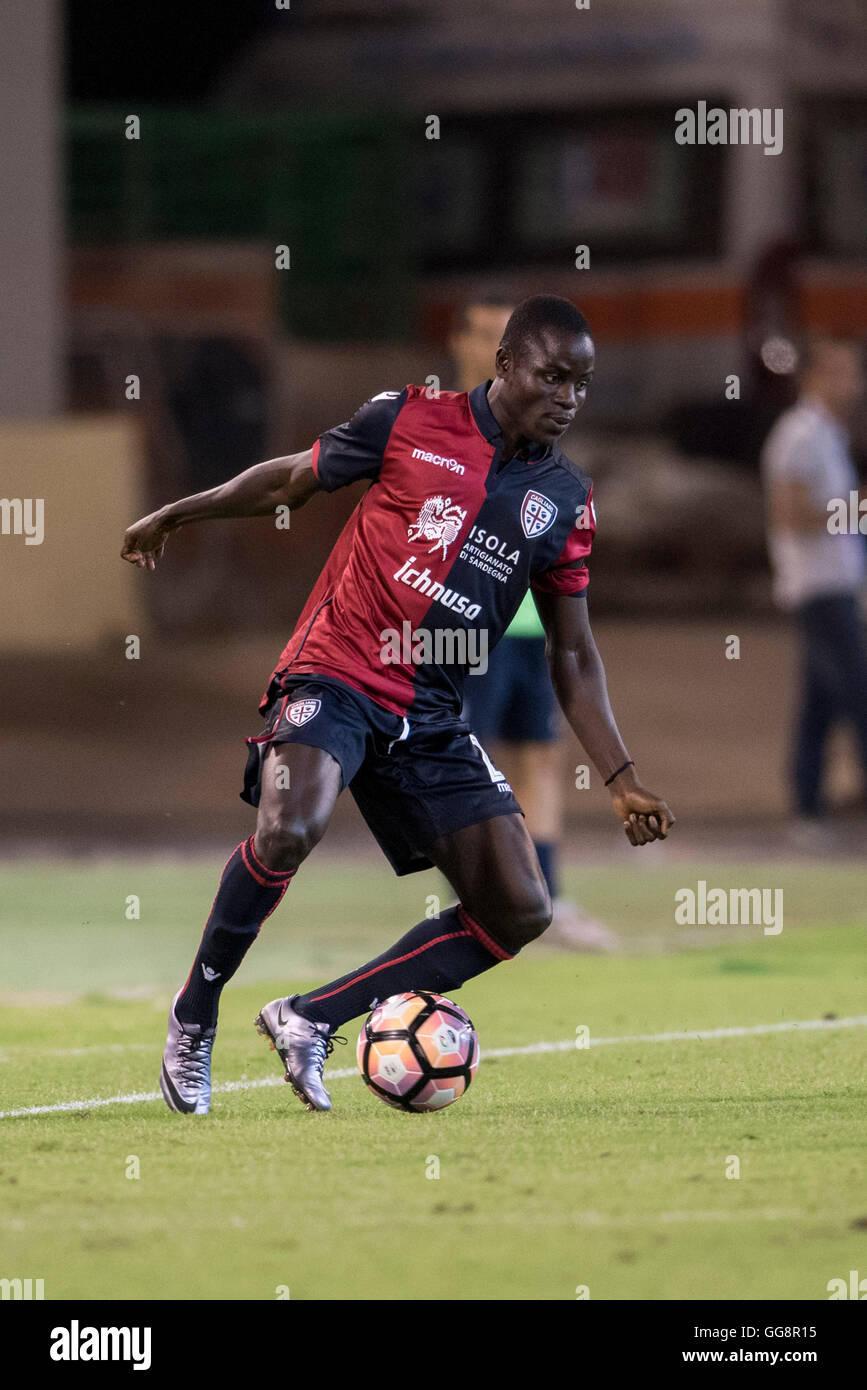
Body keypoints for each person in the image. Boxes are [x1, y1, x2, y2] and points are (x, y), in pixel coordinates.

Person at [122, 294, 674, 1116]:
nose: (567, 397)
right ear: (506, 366)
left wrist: (621, 775)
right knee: (289, 824)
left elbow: (572, 650)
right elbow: (292, 479)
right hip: (337, 670)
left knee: (519, 907)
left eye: (581, 384)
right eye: (552, 376)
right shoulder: (409, 420)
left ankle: (309, 1020)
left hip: (431, 711)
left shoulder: (563, 501)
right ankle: (193, 1016)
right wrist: (180, 511)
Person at [449, 295, 617, 950]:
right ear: (462, 342)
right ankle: (478, 899)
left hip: (531, 626)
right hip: (467, 627)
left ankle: (546, 897)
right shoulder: (446, 426)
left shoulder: (532, 421)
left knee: (540, 759)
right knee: (471, 762)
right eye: (487, 331)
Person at [761, 336, 867, 831]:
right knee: (858, 690)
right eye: (838, 371)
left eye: (853, 371)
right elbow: (789, 513)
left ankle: (807, 804)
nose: (850, 381)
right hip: (819, 588)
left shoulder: (829, 433)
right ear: (810, 377)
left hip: (837, 585)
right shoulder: (799, 434)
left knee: (820, 701)